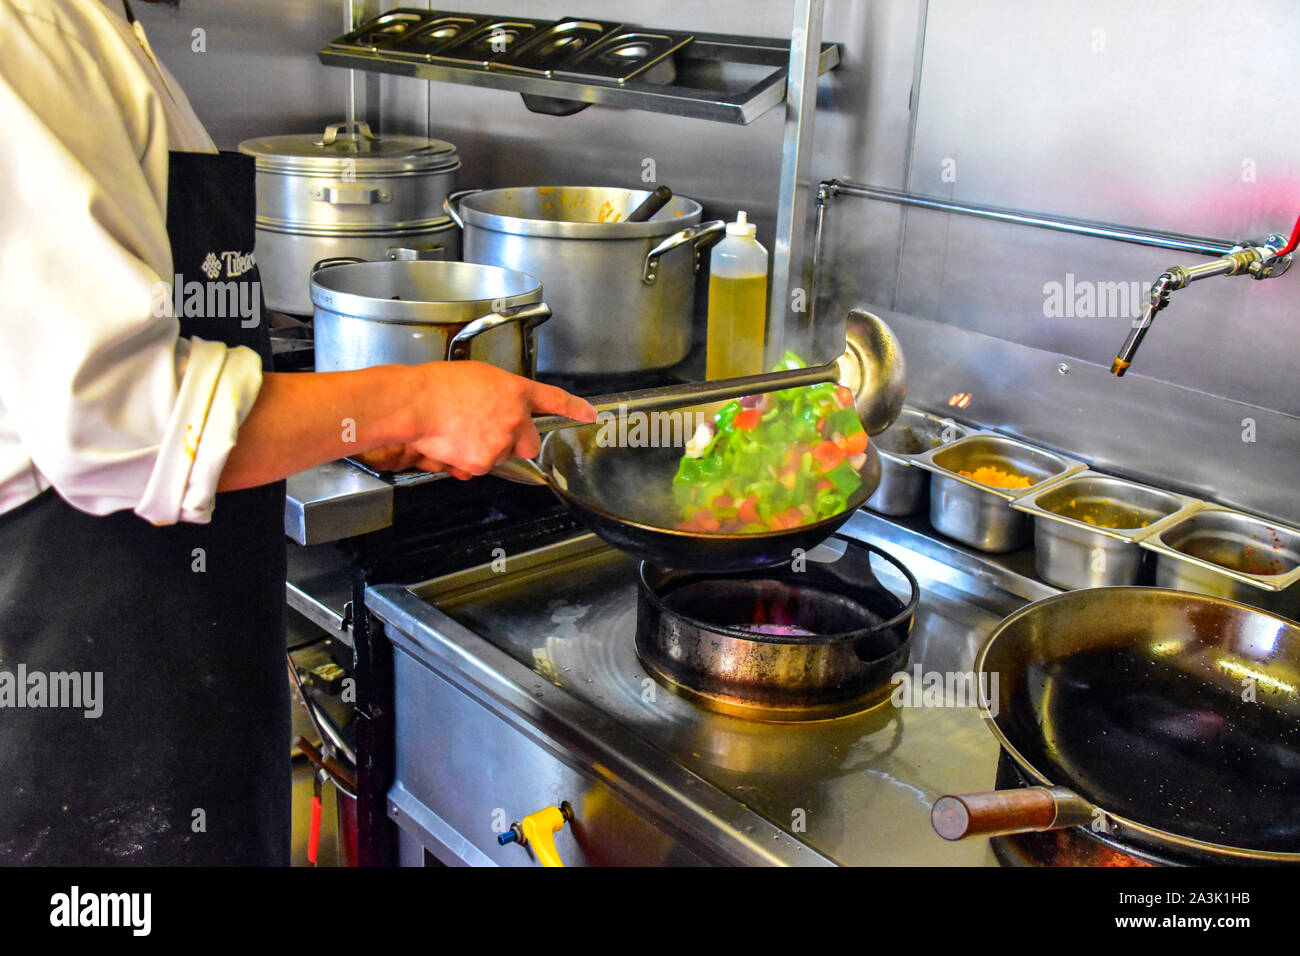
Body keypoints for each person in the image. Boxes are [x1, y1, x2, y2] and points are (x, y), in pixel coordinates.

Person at [0, 0, 594, 865]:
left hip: (167, 683)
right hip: (81, 726)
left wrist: (339, 421)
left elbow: (159, 375)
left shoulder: (100, 36)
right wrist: (416, 400)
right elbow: (127, 421)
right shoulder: (30, 35)